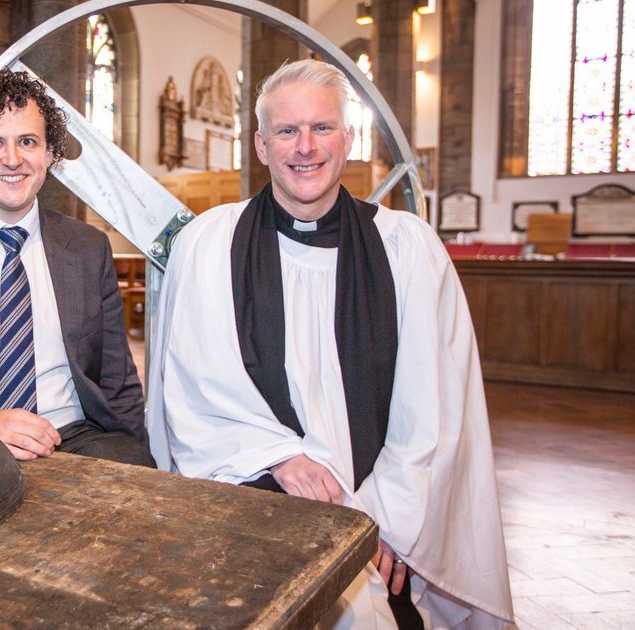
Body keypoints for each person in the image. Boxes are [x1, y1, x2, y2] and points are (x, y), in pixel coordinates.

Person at [146, 59, 514, 629]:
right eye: (287, 131)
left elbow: (435, 413)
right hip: (258, 488)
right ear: (262, 145)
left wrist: (381, 524)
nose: (305, 147)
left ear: (348, 139)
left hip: (390, 505)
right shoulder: (208, 244)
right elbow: (193, 389)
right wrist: (278, 457)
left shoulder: (406, 249)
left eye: (322, 128)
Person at [0, 69, 153, 467]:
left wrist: (136, 457)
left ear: (50, 153)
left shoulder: (88, 248)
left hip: (75, 438)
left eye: (28, 142)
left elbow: (116, 380)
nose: (13, 159)